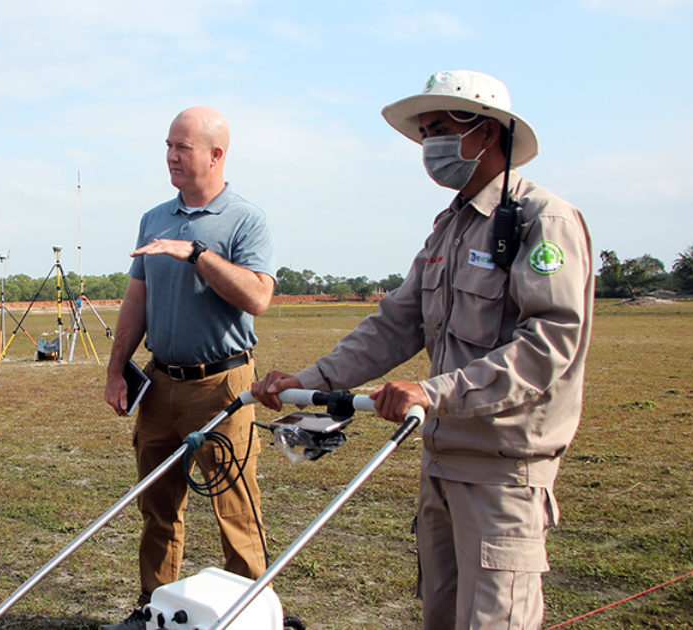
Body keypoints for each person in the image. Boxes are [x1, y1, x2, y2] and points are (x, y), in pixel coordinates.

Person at [251, 70, 593, 629]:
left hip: (502, 473)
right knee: (440, 616)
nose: (430, 146)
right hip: (440, 463)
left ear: (488, 132)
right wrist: (312, 381)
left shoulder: (541, 220)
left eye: (441, 129)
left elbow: (549, 345)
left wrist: (432, 392)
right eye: (426, 132)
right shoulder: (448, 228)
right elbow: (396, 323)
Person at [102, 106, 277, 630]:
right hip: (159, 384)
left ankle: (249, 614)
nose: (171, 156)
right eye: (168, 146)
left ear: (216, 155)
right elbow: (137, 301)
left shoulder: (246, 218)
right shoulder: (154, 218)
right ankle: (155, 608)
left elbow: (259, 297)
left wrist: (197, 253)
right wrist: (116, 370)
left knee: (236, 509)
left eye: (183, 147)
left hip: (223, 387)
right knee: (157, 507)